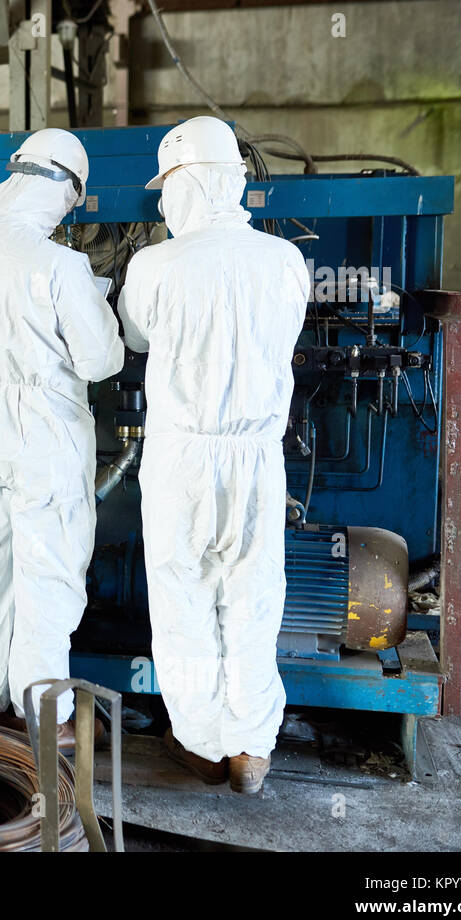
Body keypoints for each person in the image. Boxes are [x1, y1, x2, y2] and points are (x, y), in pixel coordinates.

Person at [117, 116, 310, 794]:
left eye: (167, 185)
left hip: (181, 460)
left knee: (183, 600)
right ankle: (251, 749)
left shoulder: (152, 265)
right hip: (257, 457)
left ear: (186, 183)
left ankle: (200, 745)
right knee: (254, 599)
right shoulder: (286, 262)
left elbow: (134, 340)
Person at [0, 128, 125, 746]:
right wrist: (101, 308)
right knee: (50, 564)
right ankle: (45, 717)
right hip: (42, 423)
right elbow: (100, 362)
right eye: (74, 200)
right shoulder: (61, 265)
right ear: (66, 188)